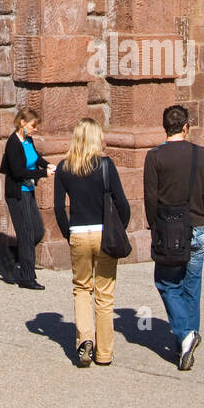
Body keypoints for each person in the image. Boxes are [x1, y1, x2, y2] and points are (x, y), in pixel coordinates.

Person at [144, 104, 204, 371]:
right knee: (191, 287)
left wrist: (154, 226)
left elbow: (150, 198)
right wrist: (200, 217)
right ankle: (188, 339)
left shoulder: (155, 157)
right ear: (186, 127)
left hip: (168, 230)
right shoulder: (202, 154)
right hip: (196, 227)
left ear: (166, 128)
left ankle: (185, 336)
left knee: (166, 283)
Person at [54, 118, 130, 367]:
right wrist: (119, 229)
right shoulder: (106, 165)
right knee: (104, 295)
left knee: (81, 289)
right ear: (97, 138)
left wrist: (68, 233)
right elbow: (123, 204)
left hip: (78, 232)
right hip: (104, 233)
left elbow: (58, 208)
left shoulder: (65, 167)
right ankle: (105, 353)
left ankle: (85, 339)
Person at [0, 107, 56, 289]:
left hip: (28, 190)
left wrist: (47, 165)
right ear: (23, 123)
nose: (35, 129)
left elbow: (36, 158)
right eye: (33, 126)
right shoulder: (13, 143)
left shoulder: (28, 140)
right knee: (26, 234)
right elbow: (17, 171)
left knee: (37, 231)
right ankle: (27, 277)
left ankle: (18, 256)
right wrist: (42, 174)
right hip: (17, 193)